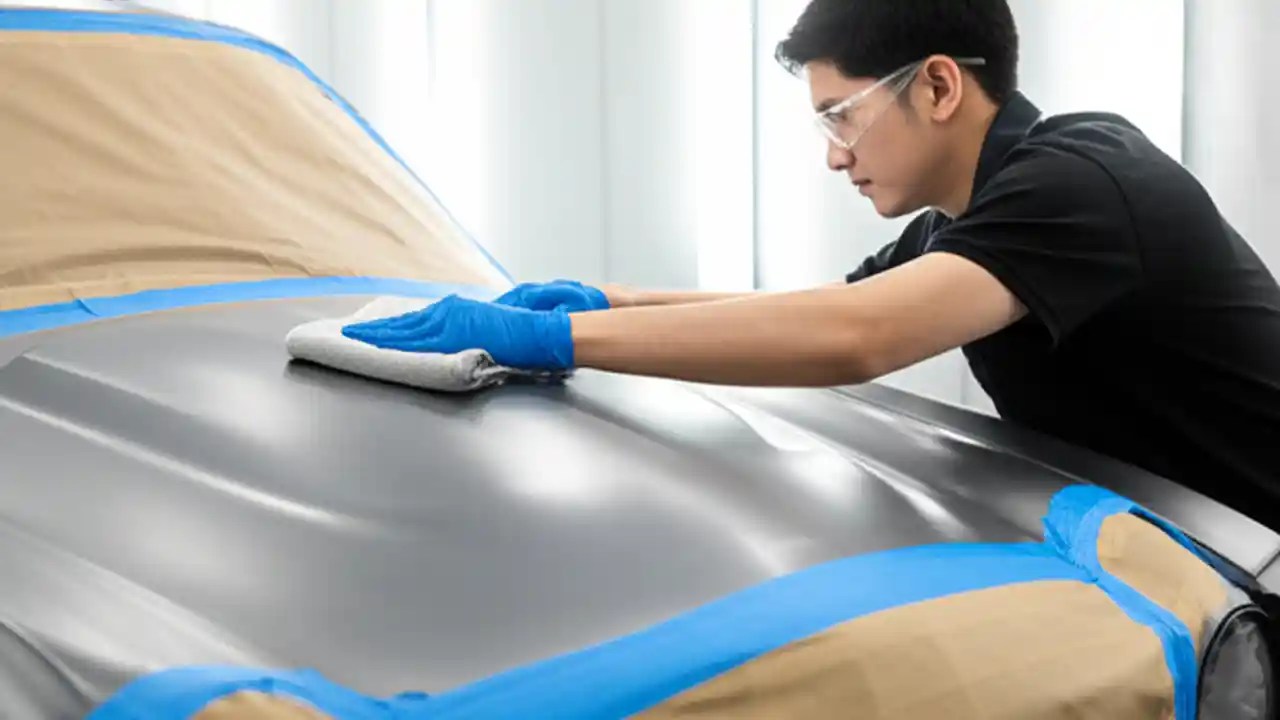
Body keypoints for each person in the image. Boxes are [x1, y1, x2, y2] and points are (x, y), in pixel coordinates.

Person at [346, 0, 1280, 530]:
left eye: (841, 115)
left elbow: (856, 338)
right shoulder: (977, 216)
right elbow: (826, 305)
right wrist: (609, 295)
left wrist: (559, 340)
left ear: (941, 84)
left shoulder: (1079, 183)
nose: (834, 155)